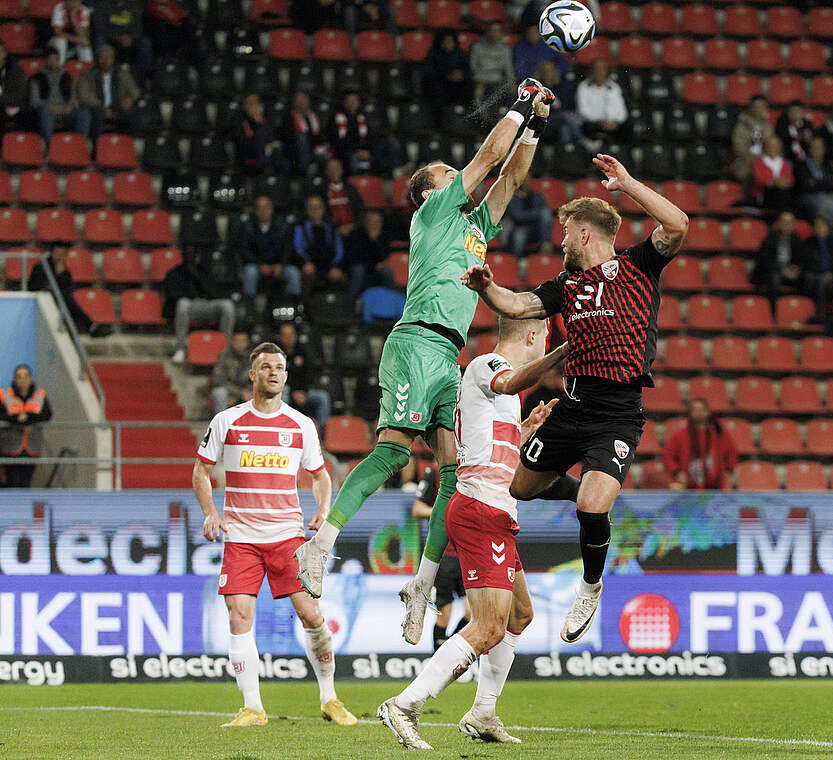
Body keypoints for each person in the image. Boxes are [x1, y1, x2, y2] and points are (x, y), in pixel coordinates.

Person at [294, 83, 553, 645]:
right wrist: (517, 102)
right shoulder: (434, 213)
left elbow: (509, 177)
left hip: (449, 356)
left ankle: (422, 583)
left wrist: (533, 124)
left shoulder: (474, 228)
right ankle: (320, 545)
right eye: (445, 170)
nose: (454, 172)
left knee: (453, 474)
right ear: (430, 190)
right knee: (391, 453)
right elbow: (488, 160)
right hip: (415, 342)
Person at [462, 153, 690, 645]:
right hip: (573, 406)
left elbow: (678, 223)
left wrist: (627, 183)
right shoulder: (566, 286)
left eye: (566, 232)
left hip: (618, 413)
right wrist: (488, 287)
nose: (561, 240)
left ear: (585, 234)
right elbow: (516, 305)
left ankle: (590, 585)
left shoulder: (638, 265)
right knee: (519, 487)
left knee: (591, 503)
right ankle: (586, 481)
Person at [378, 316, 565, 749]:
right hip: (481, 511)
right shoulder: (487, 366)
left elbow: (490, 450)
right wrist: (562, 355)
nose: (546, 346)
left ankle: (482, 712)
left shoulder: (509, 397)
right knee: (487, 627)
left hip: (496, 511)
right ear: (535, 336)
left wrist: (524, 432)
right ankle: (405, 704)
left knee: (519, 615)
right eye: (547, 341)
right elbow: (507, 382)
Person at [191, 342, 357, 728]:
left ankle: (329, 699)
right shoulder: (227, 422)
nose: (274, 373)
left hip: (287, 536)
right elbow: (201, 471)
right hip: (241, 538)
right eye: (265, 367)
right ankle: (252, 708)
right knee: (239, 615)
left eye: (279, 367)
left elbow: (320, 475)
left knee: (312, 615)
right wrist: (210, 512)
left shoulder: (300, 425)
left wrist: (323, 508)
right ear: (252, 374)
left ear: (286, 374)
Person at [407, 466, 466, 653]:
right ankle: (440, 663)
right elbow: (418, 509)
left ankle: (451, 654)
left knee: (473, 614)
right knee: (444, 616)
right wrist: (447, 514)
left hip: (468, 555)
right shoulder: (435, 472)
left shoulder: (474, 470)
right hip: (443, 558)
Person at [164, 249, 237, 363]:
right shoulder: (175, 273)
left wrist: (199, 277)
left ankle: (224, 350)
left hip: (208, 304)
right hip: (191, 306)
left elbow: (216, 291)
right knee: (182, 304)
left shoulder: (205, 271)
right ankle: (181, 349)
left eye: (194, 255)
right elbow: (173, 296)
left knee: (227, 305)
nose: (191, 258)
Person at [26, 243, 105, 336]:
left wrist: (60, 275)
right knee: (67, 300)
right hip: (42, 300)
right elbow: (33, 287)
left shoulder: (66, 272)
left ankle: (83, 329)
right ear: (51, 253)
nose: (59, 256)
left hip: (60, 302)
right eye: (57, 253)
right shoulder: (40, 267)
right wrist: (56, 277)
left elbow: (68, 290)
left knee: (67, 300)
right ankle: (91, 327)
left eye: (62, 254)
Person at [661, 398, 738, 490]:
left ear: (708, 412)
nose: (699, 413)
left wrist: (729, 471)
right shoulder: (680, 435)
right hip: (689, 487)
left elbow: (731, 453)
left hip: (716, 486)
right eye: (695, 410)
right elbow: (667, 456)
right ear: (690, 413)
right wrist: (677, 472)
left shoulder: (719, 434)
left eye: (702, 410)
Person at [238, 195, 301, 300]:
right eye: (259, 208)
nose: (263, 211)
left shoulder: (283, 226)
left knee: (293, 273)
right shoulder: (247, 227)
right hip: (257, 266)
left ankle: (294, 305)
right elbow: (245, 251)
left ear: (271, 209)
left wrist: (281, 264)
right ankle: (249, 308)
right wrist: (260, 265)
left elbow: (288, 248)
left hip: (279, 266)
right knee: (250, 272)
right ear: (255, 211)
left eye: (266, 207)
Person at [1, 365, 52, 488]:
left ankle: (21, 507)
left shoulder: (40, 395)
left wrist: (28, 417)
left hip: (31, 448)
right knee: (12, 482)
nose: (22, 380)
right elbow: (2, 414)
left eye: (25, 376)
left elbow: (47, 414)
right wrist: (16, 418)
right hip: (10, 447)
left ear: (30, 378)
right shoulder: (4, 395)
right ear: (14, 379)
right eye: (18, 377)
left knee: (25, 483)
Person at [75, 44, 139, 140]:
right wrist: (102, 107)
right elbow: (83, 95)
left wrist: (129, 98)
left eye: (108, 58)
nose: (105, 61)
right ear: (97, 59)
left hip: (118, 107)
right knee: (95, 115)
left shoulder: (122, 73)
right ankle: (98, 150)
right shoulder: (87, 75)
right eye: (102, 57)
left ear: (113, 59)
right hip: (97, 108)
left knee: (133, 115)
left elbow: (135, 91)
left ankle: (127, 147)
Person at [276, 322, 331, 434]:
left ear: (295, 335)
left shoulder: (303, 350)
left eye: (291, 335)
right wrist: (293, 392)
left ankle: (322, 437)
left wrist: (303, 392)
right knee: (283, 394)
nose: (288, 338)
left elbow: (309, 374)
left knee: (323, 397)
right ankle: (283, 431)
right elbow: (278, 377)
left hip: (303, 391)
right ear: (280, 337)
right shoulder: (276, 354)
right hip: (286, 391)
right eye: (285, 335)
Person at [329, 91, 400, 175]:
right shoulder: (337, 118)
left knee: (391, 144)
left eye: (355, 100)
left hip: (365, 150)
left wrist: (368, 151)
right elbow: (338, 141)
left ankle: (394, 173)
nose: (353, 103)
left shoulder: (362, 117)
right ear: (345, 103)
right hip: (346, 151)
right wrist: (358, 152)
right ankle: (353, 181)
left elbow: (370, 137)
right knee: (351, 157)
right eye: (350, 100)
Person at [29, 47, 90, 145]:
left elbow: (74, 98)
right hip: (48, 110)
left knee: (84, 113)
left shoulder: (66, 76)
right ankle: (50, 146)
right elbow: (34, 101)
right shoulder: (37, 78)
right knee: (45, 113)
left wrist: (70, 106)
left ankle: (80, 145)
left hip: (65, 110)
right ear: (46, 60)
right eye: (50, 59)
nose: (53, 62)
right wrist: (49, 106)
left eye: (56, 59)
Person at [294, 195, 347, 297]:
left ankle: (335, 307)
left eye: (317, 207)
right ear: (306, 209)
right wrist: (305, 262)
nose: (314, 210)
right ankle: (305, 307)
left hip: (329, 264)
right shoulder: (300, 226)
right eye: (311, 207)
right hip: (310, 264)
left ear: (323, 209)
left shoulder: (332, 226)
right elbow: (298, 248)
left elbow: (339, 249)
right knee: (307, 273)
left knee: (340, 277)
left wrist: (335, 266)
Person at [233, 92, 289, 175]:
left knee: (282, 161)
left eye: (256, 102)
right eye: (250, 103)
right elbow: (243, 141)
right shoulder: (239, 121)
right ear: (244, 106)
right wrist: (257, 124)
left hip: (269, 154)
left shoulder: (266, 119)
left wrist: (261, 123)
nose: (254, 106)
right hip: (250, 155)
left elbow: (273, 137)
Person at [575, 58, 627, 139]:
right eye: (597, 69)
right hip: (593, 123)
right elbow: (583, 111)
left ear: (607, 71)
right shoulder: (584, 87)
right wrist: (599, 121)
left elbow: (622, 111)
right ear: (592, 71)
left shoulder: (614, 87)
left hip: (612, 124)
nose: (600, 72)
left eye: (602, 69)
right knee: (589, 127)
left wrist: (616, 122)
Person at [282, 90, 329, 176]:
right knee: (301, 137)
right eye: (298, 100)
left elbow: (321, 135)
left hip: (315, 151)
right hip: (296, 153)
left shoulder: (315, 116)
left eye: (303, 99)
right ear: (294, 103)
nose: (301, 102)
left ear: (308, 101)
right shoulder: (288, 118)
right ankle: (303, 175)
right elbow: (289, 138)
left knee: (324, 155)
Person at [469, 21, 515, 102]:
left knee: (513, 87)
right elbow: (472, 67)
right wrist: (478, 78)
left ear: (501, 33)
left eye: (497, 31)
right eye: (492, 30)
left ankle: (508, 112)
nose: (494, 33)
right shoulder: (477, 47)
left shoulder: (505, 49)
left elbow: (509, 69)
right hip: (480, 79)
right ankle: (479, 112)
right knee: (478, 88)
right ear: (487, 32)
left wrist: (511, 81)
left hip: (498, 80)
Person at [503, 184, 553, 257]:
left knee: (546, 212)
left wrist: (530, 215)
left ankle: (545, 244)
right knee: (519, 236)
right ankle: (517, 261)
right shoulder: (512, 198)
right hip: (520, 227)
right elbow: (517, 217)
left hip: (538, 228)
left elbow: (543, 211)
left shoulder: (537, 196)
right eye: (525, 179)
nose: (527, 182)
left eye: (529, 179)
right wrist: (535, 215)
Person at [731, 95, 772, 182]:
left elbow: (772, 146)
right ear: (751, 108)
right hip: (746, 161)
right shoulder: (742, 126)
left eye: (762, 106)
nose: (759, 109)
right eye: (756, 106)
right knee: (748, 172)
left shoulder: (768, 127)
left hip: (765, 161)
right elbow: (739, 147)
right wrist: (754, 161)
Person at [210, 331, 252, 413]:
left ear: (247, 343)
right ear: (232, 342)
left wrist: (249, 393)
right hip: (229, 391)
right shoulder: (224, 356)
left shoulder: (253, 358)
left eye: (242, 341)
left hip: (248, 391)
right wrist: (239, 393)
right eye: (237, 341)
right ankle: (221, 423)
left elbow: (257, 379)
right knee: (219, 392)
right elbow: (218, 380)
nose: (240, 344)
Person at [321, 158, 364, 237]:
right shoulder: (322, 191)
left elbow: (360, 210)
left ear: (342, 170)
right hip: (332, 232)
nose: (334, 171)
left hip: (354, 230)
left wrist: (354, 226)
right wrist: (336, 228)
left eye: (336, 168)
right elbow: (321, 215)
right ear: (326, 172)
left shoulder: (351, 189)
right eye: (331, 169)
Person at [751, 135, 795, 210]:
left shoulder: (785, 164)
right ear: (765, 147)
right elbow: (758, 180)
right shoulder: (758, 163)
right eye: (770, 146)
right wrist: (774, 182)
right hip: (764, 195)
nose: (773, 148)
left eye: (775, 146)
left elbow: (790, 180)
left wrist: (782, 182)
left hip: (783, 194)